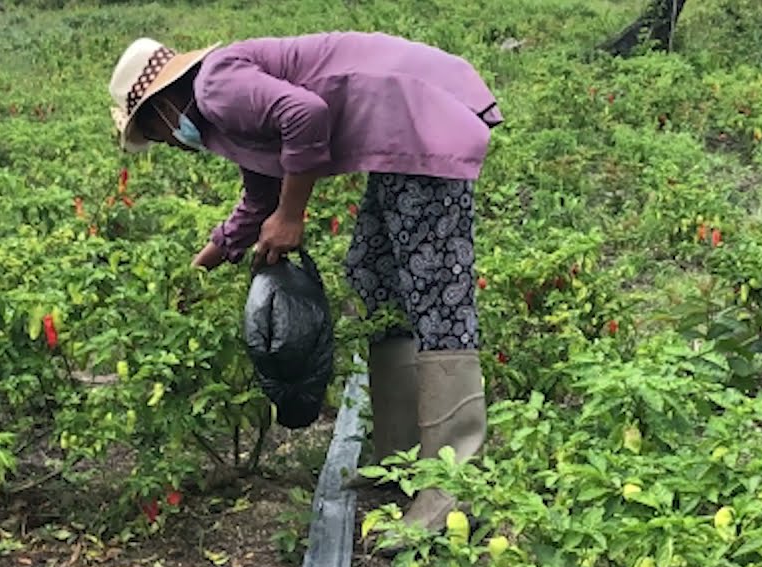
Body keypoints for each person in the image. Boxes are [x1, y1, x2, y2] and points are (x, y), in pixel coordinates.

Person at [108, 32, 501, 534]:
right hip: (403, 128)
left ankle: (451, 484)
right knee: (375, 275)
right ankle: (402, 464)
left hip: (420, 118)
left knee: (434, 291)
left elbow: (305, 115)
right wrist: (215, 251)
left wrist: (292, 215)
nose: (167, 142)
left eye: (155, 132)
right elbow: (260, 188)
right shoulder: (219, 107)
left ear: (161, 104)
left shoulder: (215, 88)